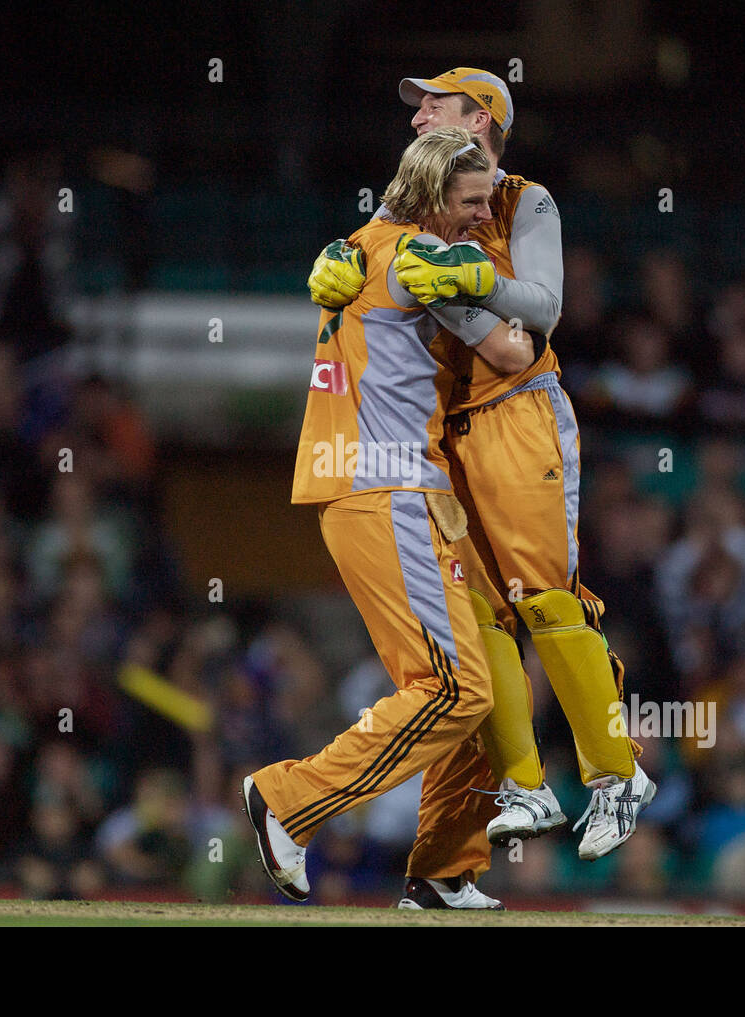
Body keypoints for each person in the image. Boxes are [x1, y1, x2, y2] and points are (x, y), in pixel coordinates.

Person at [308, 68, 655, 899]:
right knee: (480, 613)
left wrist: (472, 281)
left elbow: (544, 307)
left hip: (520, 415)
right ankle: (526, 781)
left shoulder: (524, 200)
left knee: (545, 597)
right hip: (442, 436)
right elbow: (372, 263)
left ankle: (616, 776)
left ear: (483, 120)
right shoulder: (417, 203)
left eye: (438, 103)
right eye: (421, 103)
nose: (420, 111)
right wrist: (331, 263)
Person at [243, 128, 535, 909]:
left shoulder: (360, 246)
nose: (481, 215)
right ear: (435, 195)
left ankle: (444, 866)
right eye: (471, 201)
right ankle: (291, 800)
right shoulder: (423, 257)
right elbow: (516, 347)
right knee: (454, 689)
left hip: (384, 490)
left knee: (480, 687)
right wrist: (512, 294)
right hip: (391, 491)